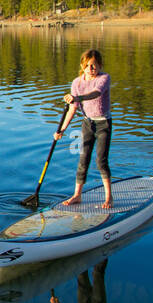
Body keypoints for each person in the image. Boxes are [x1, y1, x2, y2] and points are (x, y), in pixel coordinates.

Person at [54, 49, 112, 208]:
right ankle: (77, 195)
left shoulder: (104, 78)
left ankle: (108, 198)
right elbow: (72, 109)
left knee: (101, 161)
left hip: (103, 124)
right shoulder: (77, 83)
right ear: (82, 66)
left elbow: (96, 93)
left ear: (100, 65)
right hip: (87, 124)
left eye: (94, 65)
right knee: (83, 161)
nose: (91, 68)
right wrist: (61, 130)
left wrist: (77, 98)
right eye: (87, 65)